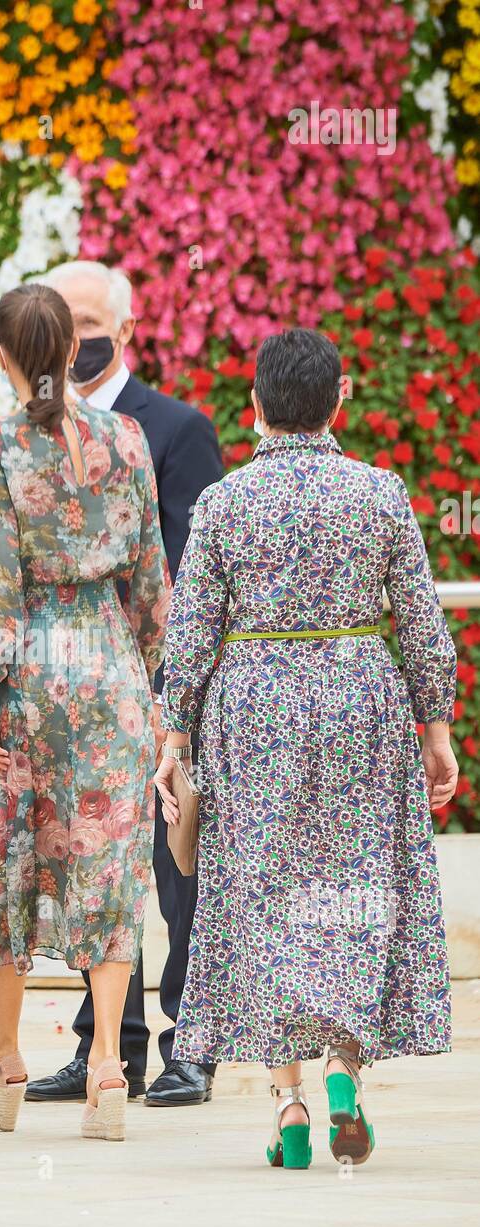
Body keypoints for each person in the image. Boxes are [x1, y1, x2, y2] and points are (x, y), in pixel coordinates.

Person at [155, 327, 458, 1169]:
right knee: (357, 886)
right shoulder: (381, 494)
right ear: (341, 400)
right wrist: (436, 729)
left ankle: (286, 1105)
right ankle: (343, 1077)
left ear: (255, 406)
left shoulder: (223, 503)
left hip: (253, 705)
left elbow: (191, 636)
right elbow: (425, 628)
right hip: (362, 694)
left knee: (262, 895)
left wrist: (174, 737)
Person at [0, 283, 170, 1142]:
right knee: (111, 860)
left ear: (6, 356)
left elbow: (0, 589)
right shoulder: (128, 436)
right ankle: (110, 1068)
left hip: (37, 666)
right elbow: (153, 582)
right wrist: (161, 695)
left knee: (12, 860)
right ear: (71, 352)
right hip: (111, 666)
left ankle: (3, 1058)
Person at [25, 260, 223, 1108]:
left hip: (161, 690)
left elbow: (191, 575)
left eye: (89, 321)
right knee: (94, 874)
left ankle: (192, 1043)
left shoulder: (175, 430)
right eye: (62, 320)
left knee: (176, 874)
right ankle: (109, 1043)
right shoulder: (35, 431)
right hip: (74, 691)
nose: (75, 338)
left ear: (127, 331)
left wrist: (172, 695)